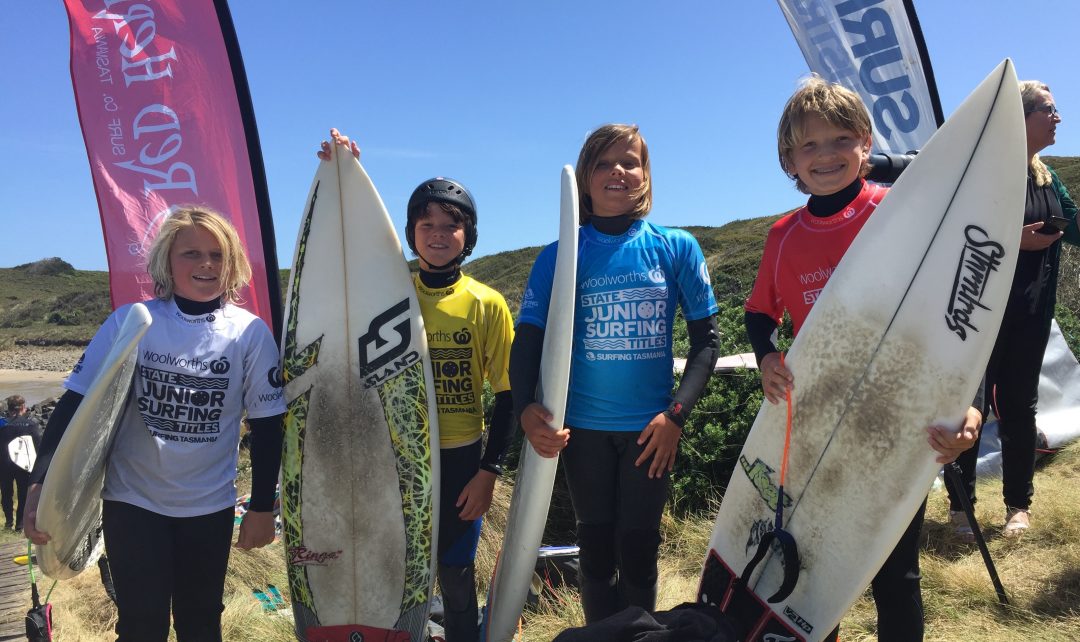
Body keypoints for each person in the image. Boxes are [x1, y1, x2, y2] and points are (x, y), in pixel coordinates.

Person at [744, 77, 982, 642]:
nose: (825, 156)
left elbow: (960, 316)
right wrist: (766, 356)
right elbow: (759, 314)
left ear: (866, 143)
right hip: (818, 422)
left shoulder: (899, 211)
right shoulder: (784, 235)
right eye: (809, 146)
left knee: (894, 573)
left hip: (899, 422)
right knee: (810, 567)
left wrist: (968, 405)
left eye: (840, 139)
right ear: (789, 159)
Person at [23, 207, 286, 642]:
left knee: (201, 622)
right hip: (133, 504)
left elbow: (267, 424)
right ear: (167, 260)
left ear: (234, 262)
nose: (205, 264)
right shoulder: (132, 322)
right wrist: (40, 484)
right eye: (191, 254)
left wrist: (260, 508)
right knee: (141, 624)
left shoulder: (249, 333)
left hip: (209, 508)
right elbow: (76, 404)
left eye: (217, 255)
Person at [512, 123, 720, 623]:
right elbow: (529, 340)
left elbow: (707, 343)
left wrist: (675, 416)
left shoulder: (676, 247)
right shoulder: (560, 255)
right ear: (585, 178)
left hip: (651, 430)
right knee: (597, 549)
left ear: (646, 175)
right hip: (580, 429)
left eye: (630, 162)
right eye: (604, 163)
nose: (618, 172)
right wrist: (525, 409)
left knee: (640, 548)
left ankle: (640, 637)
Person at [318, 130, 515, 642]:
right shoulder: (390, 293)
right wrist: (345, 175)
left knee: (454, 573)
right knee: (391, 573)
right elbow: (345, 259)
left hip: (460, 458)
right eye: (426, 224)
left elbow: (508, 395)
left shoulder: (485, 303)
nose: (438, 233)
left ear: (467, 236)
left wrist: (489, 472)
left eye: (451, 226)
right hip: (392, 456)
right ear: (410, 232)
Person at [946, 81, 1078, 538]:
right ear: (1019, 117)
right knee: (969, 407)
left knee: (1021, 408)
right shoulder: (983, 172)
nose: (1057, 117)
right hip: (978, 316)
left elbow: (1075, 224)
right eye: (1049, 109)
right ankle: (961, 508)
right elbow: (954, 233)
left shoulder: (1046, 176)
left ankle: (1018, 506)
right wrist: (1010, 238)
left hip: (1031, 314)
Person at [1, 394, 42, 530]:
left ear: (9, 408)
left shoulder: (3, 425)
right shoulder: (31, 425)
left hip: (4, 464)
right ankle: (20, 525)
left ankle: (8, 522)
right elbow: (38, 445)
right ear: (23, 407)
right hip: (23, 463)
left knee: (6, 494)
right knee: (23, 494)